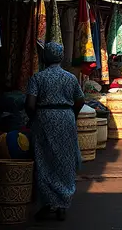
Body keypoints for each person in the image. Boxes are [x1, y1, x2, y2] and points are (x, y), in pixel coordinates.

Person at [26, 42, 85, 221]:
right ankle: (63, 203)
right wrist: (71, 115)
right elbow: (80, 100)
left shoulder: (37, 78)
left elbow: (29, 104)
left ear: (45, 57)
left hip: (44, 118)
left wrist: (34, 118)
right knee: (65, 160)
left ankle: (47, 203)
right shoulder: (71, 78)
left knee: (44, 160)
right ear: (61, 57)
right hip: (66, 117)